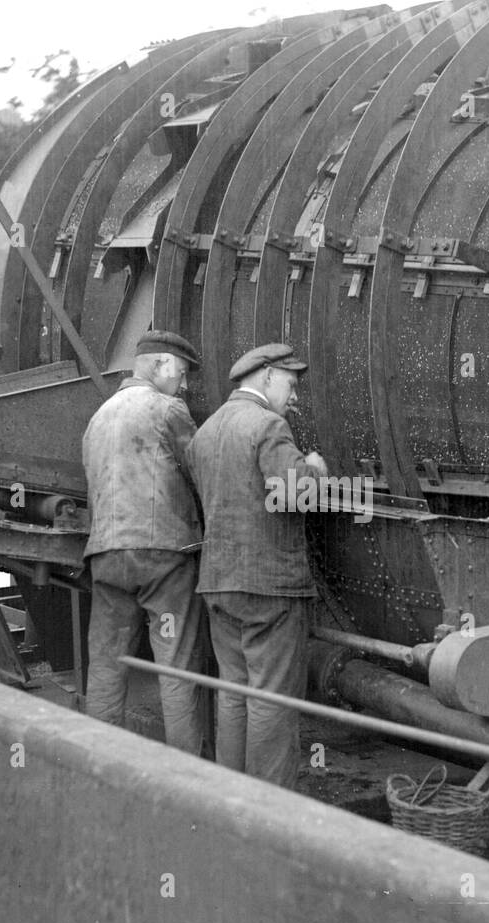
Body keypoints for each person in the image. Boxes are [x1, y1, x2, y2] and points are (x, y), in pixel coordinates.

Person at [187, 343, 328, 788]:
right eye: (291, 382)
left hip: (217, 582)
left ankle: (233, 795)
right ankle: (272, 806)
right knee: (271, 698)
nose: (295, 395)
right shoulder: (268, 425)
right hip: (269, 585)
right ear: (266, 376)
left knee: (234, 693)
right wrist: (316, 469)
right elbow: (296, 494)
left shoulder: (205, 432)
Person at [82, 329, 206, 755]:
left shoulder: (98, 418)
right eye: (182, 372)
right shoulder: (168, 409)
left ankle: (99, 763)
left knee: (106, 664)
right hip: (162, 559)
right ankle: (188, 779)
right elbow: (200, 474)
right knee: (176, 667)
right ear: (159, 365)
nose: (185, 383)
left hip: (106, 557)